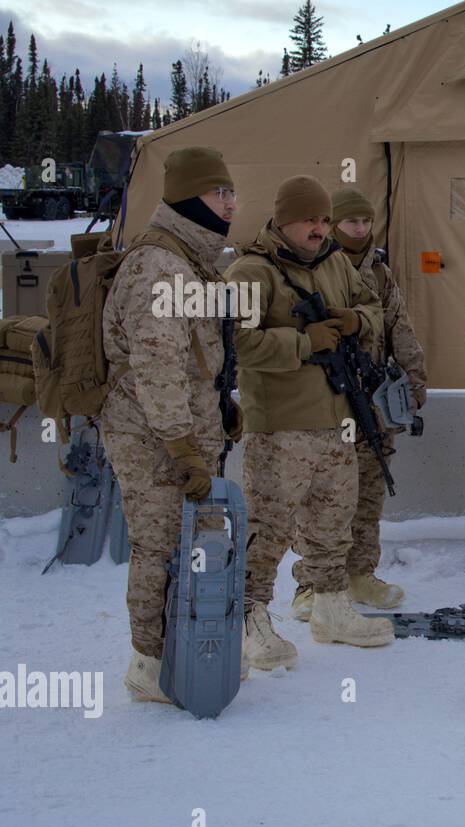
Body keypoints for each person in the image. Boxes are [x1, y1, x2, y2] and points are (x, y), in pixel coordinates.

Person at [224, 174, 394, 663]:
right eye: (309, 220)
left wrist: (354, 321)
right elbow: (234, 342)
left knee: (332, 525)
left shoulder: (336, 261)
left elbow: (372, 305)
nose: (319, 229)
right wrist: (304, 342)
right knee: (268, 528)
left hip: (337, 419)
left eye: (324, 219)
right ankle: (249, 619)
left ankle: (331, 608)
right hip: (281, 425)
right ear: (283, 219)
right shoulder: (251, 272)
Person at [102, 146, 244, 702]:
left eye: (231, 192)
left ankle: (185, 650)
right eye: (218, 193)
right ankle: (148, 663)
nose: (230, 204)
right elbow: (156, 368)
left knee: (194, 546)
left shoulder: (192, 257)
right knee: (159, 543)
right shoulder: (160, 265)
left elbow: (194, 355)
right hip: (151, 435)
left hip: (183, 430)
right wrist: (184, 449)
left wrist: (218, 407)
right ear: (188, 197)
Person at [290, 187, 428, 621]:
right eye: (352, 222)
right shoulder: (315, 265)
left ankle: (359, 574)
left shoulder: (380, 273)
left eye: (366, 222)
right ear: (334, 225)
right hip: (325, 397)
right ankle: (311, 583)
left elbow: (399, 329)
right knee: (323, 498)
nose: (361, 229)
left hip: (371, 399)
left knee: (368, 493)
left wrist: (414, 380)